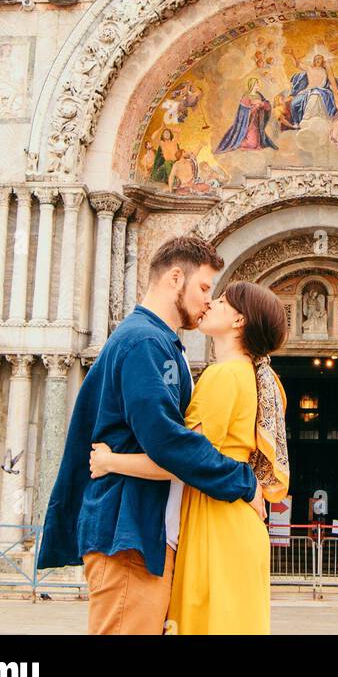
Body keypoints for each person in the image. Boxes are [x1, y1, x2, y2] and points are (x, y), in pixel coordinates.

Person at [36, 236, 266, 635]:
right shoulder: (145, 341)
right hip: (129, 531)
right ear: (176, 278)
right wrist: (243, 482)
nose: (207, 301)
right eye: (204, 288)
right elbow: (167, 441)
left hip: (143, 532)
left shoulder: (160, 344)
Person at [90, 279, 289, 636]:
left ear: (239, 320)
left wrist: (110, 462)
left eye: (224, 300)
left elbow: (182, 458)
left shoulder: (225, 375)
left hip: (217, 521)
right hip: (232, 520)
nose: (211, 302)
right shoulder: (249, 375)